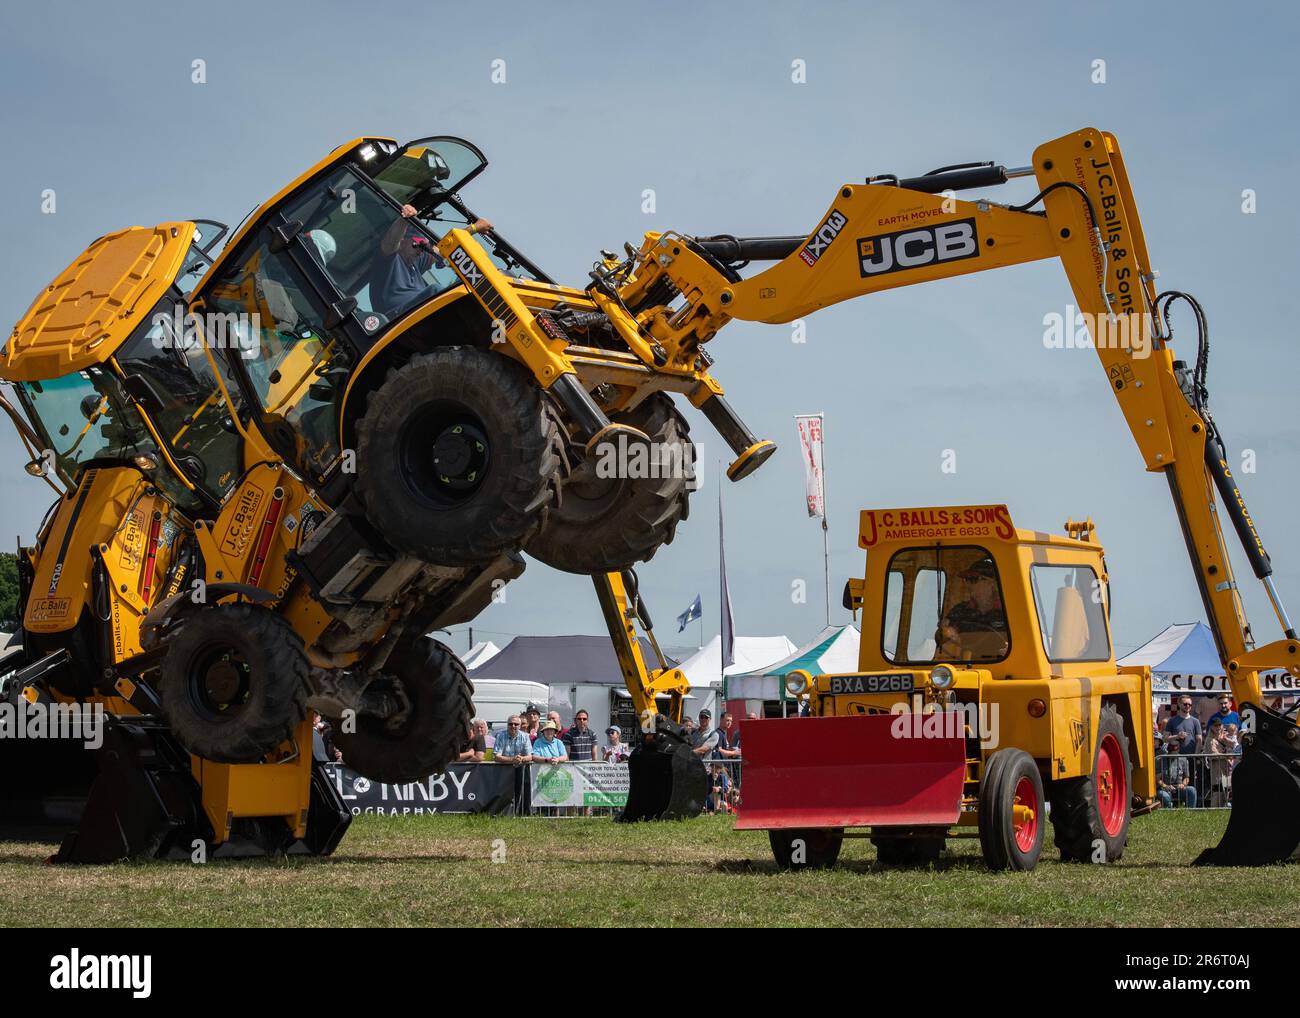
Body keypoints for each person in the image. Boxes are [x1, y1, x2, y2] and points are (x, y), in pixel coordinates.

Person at [368, 204, 492, 318]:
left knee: (464, 283)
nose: (421, 251)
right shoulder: (388, 260)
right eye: (419, 245)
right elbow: (391, 241)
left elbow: (444, 248)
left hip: (423, 313)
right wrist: (404, 218)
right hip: (396, 318)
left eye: (424, 247)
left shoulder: (415, 262)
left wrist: (474, 228)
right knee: (436, 291)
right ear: (403, 241)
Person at [936, 557, 1008, 660]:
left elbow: (1022, 643)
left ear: (991, 583)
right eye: (966, 580)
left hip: (1001, 668)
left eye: (973, 580)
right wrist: (947, 633)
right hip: (966, 668)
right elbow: (945, 635)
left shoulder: (1008, 612)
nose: (968, 584)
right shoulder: (959, 611)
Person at [493, 714, 534, 814]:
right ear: (507, 725)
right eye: (510, 724)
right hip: (504, 770)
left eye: (516, 724)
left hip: (521, 769)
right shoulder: (500, 735)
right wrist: (513, 759)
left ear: (520, 726)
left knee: (522, 793)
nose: (513, 726)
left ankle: (522, 814)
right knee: (503, 793)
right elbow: (496, 756)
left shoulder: (525, 736)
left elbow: (530, 756)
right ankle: (502, 814)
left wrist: (521, 758)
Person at [1156, 744, 1197, 809]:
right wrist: (1166, 786)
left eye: (1175, 753)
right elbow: (1157, 779)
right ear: (1168, 751)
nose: (1173, 755)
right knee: (1164, 796)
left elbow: (1186, 777)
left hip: (1179, 788)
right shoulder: (1160, 760)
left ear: (1178, 751)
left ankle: (1190, 812)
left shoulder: (1183, 759)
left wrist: (1183, 784)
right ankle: (1170, 813)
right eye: (1171, 753)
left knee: (1192, 790)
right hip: (1164, 788)